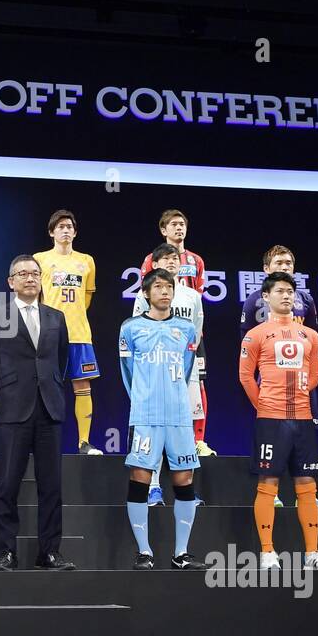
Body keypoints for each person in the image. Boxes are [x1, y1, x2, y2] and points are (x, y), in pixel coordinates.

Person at [0, 254, 76, 572]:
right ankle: (5, 552)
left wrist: (49, 388)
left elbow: (61, 361)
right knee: (7, 484)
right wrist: (4, 402)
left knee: (52, 486)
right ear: (10, 282)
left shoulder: (56, 317)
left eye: (35, 273)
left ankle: (49, 552)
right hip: (13, 409)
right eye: (22, 273)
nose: (30, 278)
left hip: (49, 409)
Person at [238, 272, 318, 571]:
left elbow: (315, 375)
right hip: (270, 420)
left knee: (307, 486)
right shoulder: (255, 334)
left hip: (303, 420)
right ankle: (268, 553)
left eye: (290, 292)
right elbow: (245, 376)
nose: (287, 296)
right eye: (280, 291)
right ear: (265, 297)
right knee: (267, 484)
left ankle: (313, 554)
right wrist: (265, 405)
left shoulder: (311, 335)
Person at [119, 268, 208, 571]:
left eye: (168, 286)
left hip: (179, 416)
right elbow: (127, 372)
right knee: (140, 477)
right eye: (157, 287)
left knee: (184, 479)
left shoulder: (186, 329)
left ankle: (181, 554)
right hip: (145, 414)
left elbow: (185, 369)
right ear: (145, 293)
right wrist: (145, 397)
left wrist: (172, 396)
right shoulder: (130, 328)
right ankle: (144, 552)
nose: (164, 291)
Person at [239, 245, 318, 509]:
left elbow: (313, 340)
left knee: (306, 436)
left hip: (300, 377)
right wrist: (261, 400)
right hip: (270, 377)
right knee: (270, 434)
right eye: (279, 263)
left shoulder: (306, 299)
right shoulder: (255, 299)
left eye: (289, 263)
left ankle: (307, 493)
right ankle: (272, 491)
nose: (284, 267)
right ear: (266, 269)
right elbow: (247, 341)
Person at [133, 243, 204, 506]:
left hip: (183, 371)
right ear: (154, 265)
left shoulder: (192, 296)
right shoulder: (144, 296)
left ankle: (187, 492)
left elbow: (195, 333)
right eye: (165, 259)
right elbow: (136, 333)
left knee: (183, 431)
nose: (172, 263)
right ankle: (153, 487)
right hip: (154, 372)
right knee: (154, 431)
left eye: (175, 259)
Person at [141, 209, 213, 455]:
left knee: (197, 384)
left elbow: (199, 303)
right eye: (173, 224)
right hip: (161, 337)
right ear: (163, 230)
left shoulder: (196, 261)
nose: (179, 228)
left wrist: (194, 333)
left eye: (182, 224)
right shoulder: (153, 258)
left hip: (190, 335)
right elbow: (144, 296)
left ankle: (197, 439)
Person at [34, 210, 102, 455]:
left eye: (69, 227)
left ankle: (84, 441)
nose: (65, 230)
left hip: (79, 334)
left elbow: (87, 296)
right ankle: (42, 442)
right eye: (60, 226)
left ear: (75, 232)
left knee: (82, 385)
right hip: (49, 334)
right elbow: (35, 296)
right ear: (52, 232)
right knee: (46, 387)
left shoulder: (86, 260)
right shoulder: (39, 259)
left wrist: (72, 317)